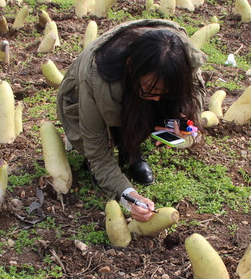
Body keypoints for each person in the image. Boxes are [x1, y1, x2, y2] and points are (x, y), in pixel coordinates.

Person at [56, 19, 206, 222]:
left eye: (166, 92)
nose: (157, 99)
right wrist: (129, 196)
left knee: (148, 110)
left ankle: (131, 152)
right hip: (91, 93)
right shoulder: (95, 81)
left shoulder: (179, 55)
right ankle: (121, 140)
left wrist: (181, 118)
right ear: (131, 66)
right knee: (100, 148)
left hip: (136, 89)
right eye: (152, 91)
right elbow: (98, 155)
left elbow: (194, 90)